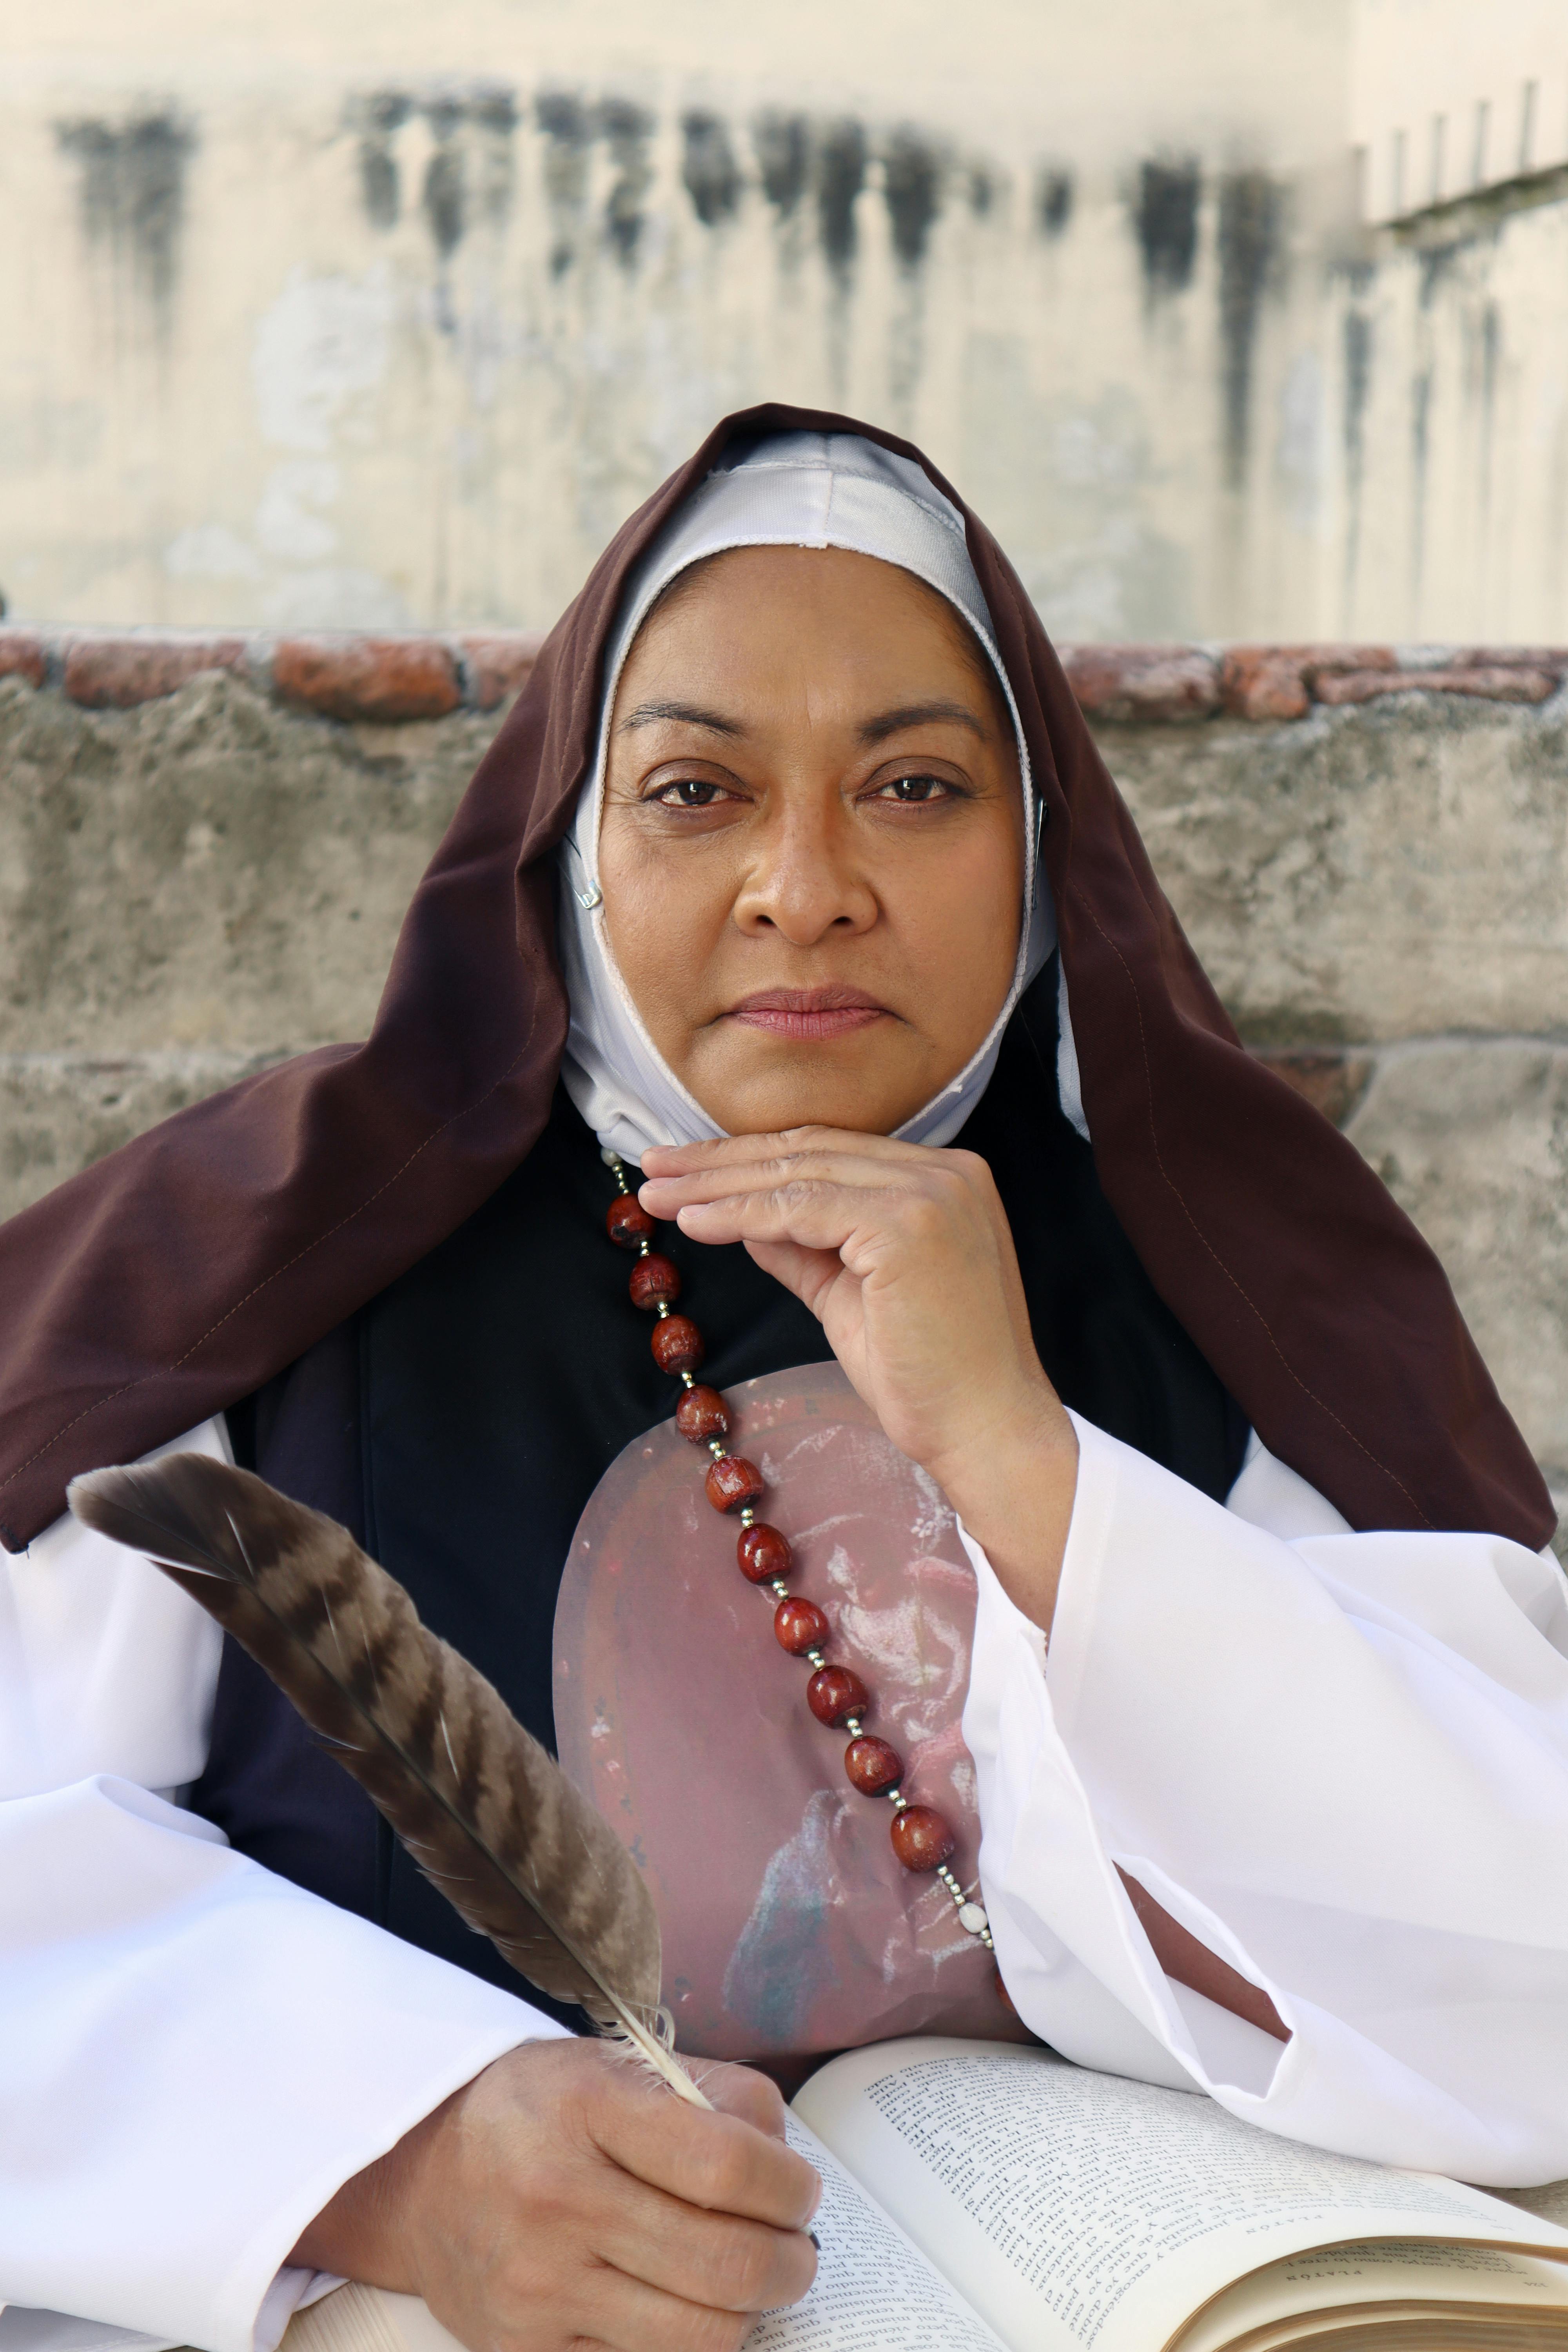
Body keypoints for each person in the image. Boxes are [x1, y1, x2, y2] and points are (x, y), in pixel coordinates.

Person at [2, 414, 1566, 2352]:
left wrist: (1018, 1452)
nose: (805, 888)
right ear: (573, 848)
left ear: (1040, 850)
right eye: (694, 792)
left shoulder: (1226, 1275)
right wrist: (380, 2155)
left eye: (913, 785)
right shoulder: (266, 1261)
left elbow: (1519, 1929)